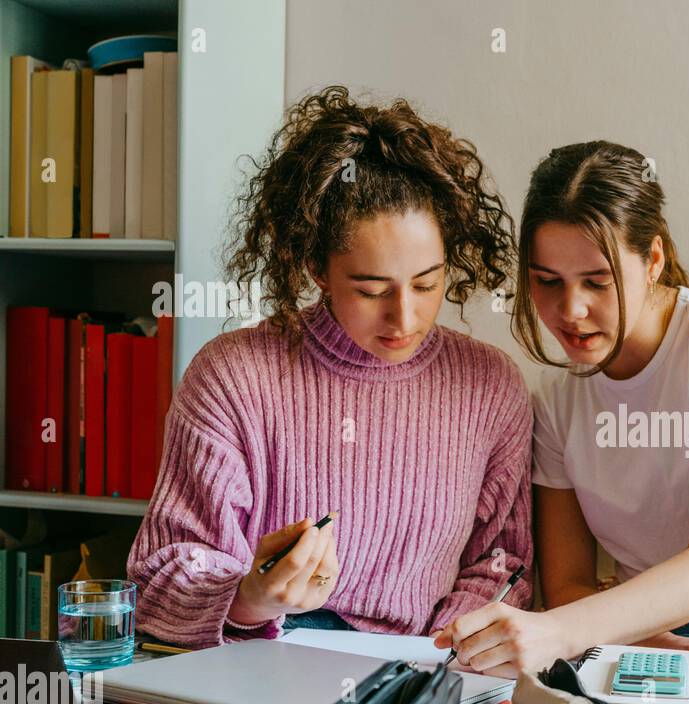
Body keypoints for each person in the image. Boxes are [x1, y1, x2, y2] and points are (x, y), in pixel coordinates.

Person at [128, 86, 532, 647]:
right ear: (318, 267)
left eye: (427, 283)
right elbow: (158, 580)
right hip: (260, 660)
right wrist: (251, 596)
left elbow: (502, 563)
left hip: (424, 665)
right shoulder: (233, 375)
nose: (404, 318)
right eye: (370, 290)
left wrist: (440, 648)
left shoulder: (490, 386)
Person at [437, 140, 689, 676]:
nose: (571, 311)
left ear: (654, 262)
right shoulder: (555, 397)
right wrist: (654, 645)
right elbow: (568, 582)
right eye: (547, 282)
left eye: (598, 281)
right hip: (637, 637)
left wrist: (558, 632)